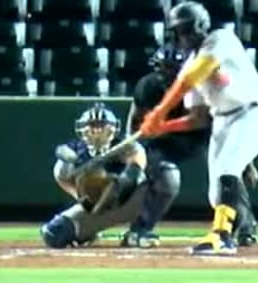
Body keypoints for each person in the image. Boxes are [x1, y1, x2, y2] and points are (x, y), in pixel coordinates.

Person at [139, 2, 258, 256]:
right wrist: (163, 127)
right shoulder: (190, 63)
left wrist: (159, 112)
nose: (185, 36)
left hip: (251, 113)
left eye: (188, 29)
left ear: (201, 27)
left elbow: (194, 75)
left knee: (228, 167)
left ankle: (222, 236)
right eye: (180, 31)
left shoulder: (221, 40)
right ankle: (233, 229)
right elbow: (198, 119)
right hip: (222, 120)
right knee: (216, 193)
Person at [127, 43, 258, 247]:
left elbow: (229, 124)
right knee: (165, 178)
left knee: (229, 173)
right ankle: (141, 228)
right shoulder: (148, 86)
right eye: (163, 69)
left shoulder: (204, 86)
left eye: (173, 69)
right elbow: (135, 120)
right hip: (166, 140)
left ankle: (244, 226)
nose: (168, 75)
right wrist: (133, 151)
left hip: (203, 134)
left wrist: (248, 163)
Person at [40, 102, 191, 249]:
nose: (97, 131)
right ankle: (88, 233)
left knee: (167, 174)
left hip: (130, 198)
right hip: (99, 206)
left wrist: (115, 186)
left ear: (113, 128)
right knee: (54, 234)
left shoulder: (126, 146)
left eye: (102, 126)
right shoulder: (73, 155)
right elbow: (61, 176)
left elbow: (136, 170)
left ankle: (140, 230)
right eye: (93, 126)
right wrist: (82, 197)